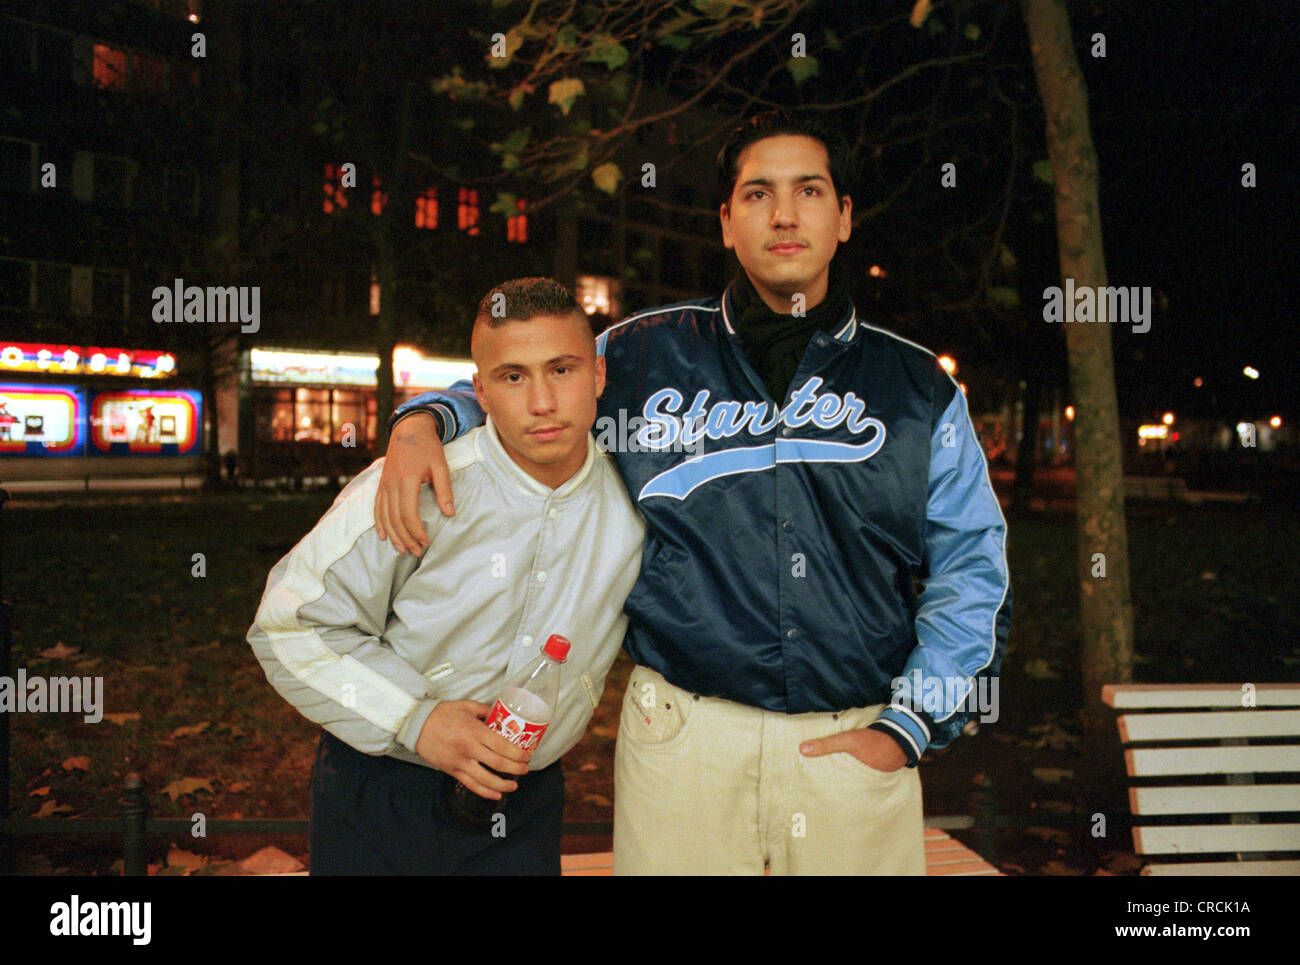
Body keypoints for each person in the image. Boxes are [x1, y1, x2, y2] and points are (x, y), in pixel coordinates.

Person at [375, 110, 1012, 875]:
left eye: (809, 191)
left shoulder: (917, 390)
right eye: (756, 194)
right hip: (683, 738)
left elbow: (973, 570)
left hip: (857, 738)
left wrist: (909, 725)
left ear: (843, 217)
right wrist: (422, 419)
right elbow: (527, 379)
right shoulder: (644, 356)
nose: (783, 214)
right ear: (724, 221)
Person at [246, 278, 645, 875]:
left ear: (599, 375)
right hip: (384, 787)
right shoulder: (416, 483)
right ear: (479, 390)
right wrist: (416, 719)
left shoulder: (640, 503)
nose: (542, 402)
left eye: (562, 370)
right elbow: (289, 626)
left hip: (525, 799)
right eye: (513, 377)